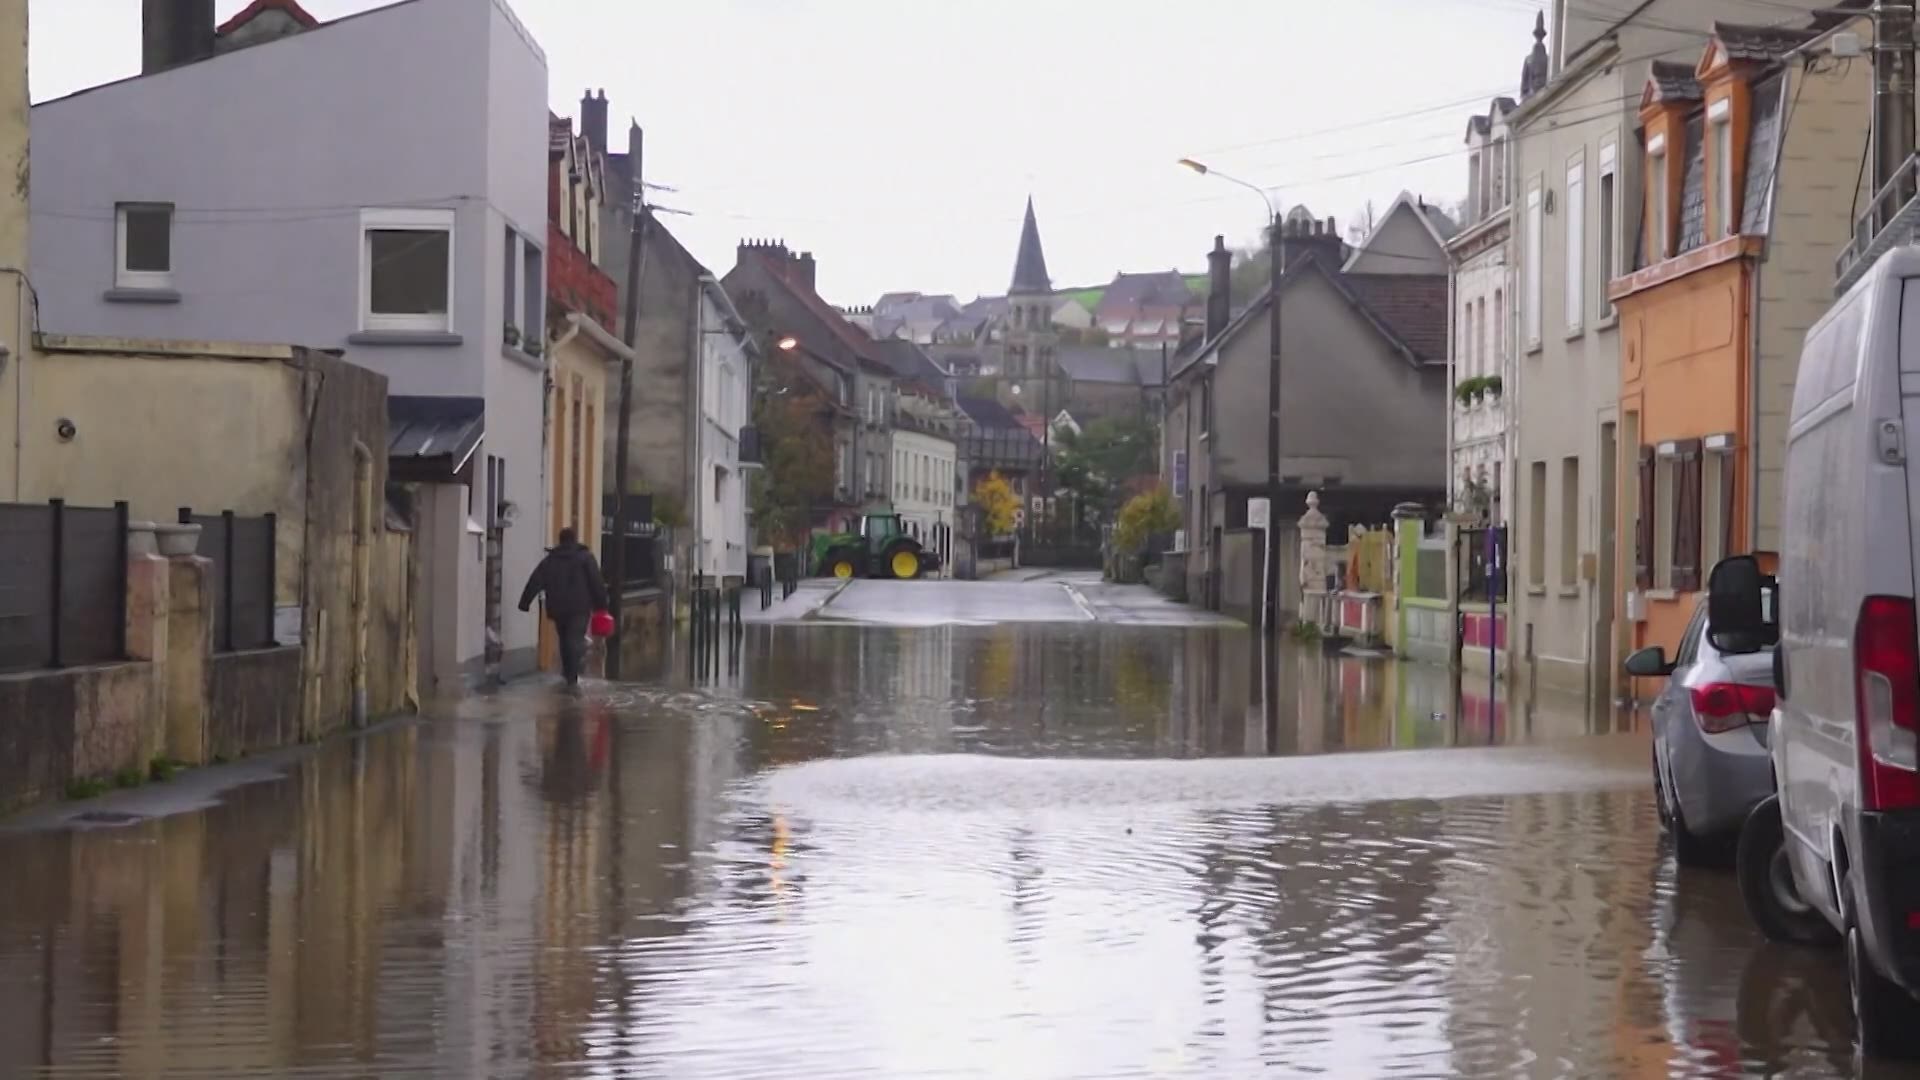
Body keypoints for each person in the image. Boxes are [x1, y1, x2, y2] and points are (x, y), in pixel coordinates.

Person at [518, 527, 608, 688]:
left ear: (560, 540)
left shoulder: (551, 560)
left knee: (565, 639)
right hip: (579, 608)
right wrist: (601, 605)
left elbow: (535, 580)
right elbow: (596, 582)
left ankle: (567, 674)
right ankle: (572, 677)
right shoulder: (585, 558)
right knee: (575, 639)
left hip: (557, 608)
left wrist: (525, 602)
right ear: (575, 539)